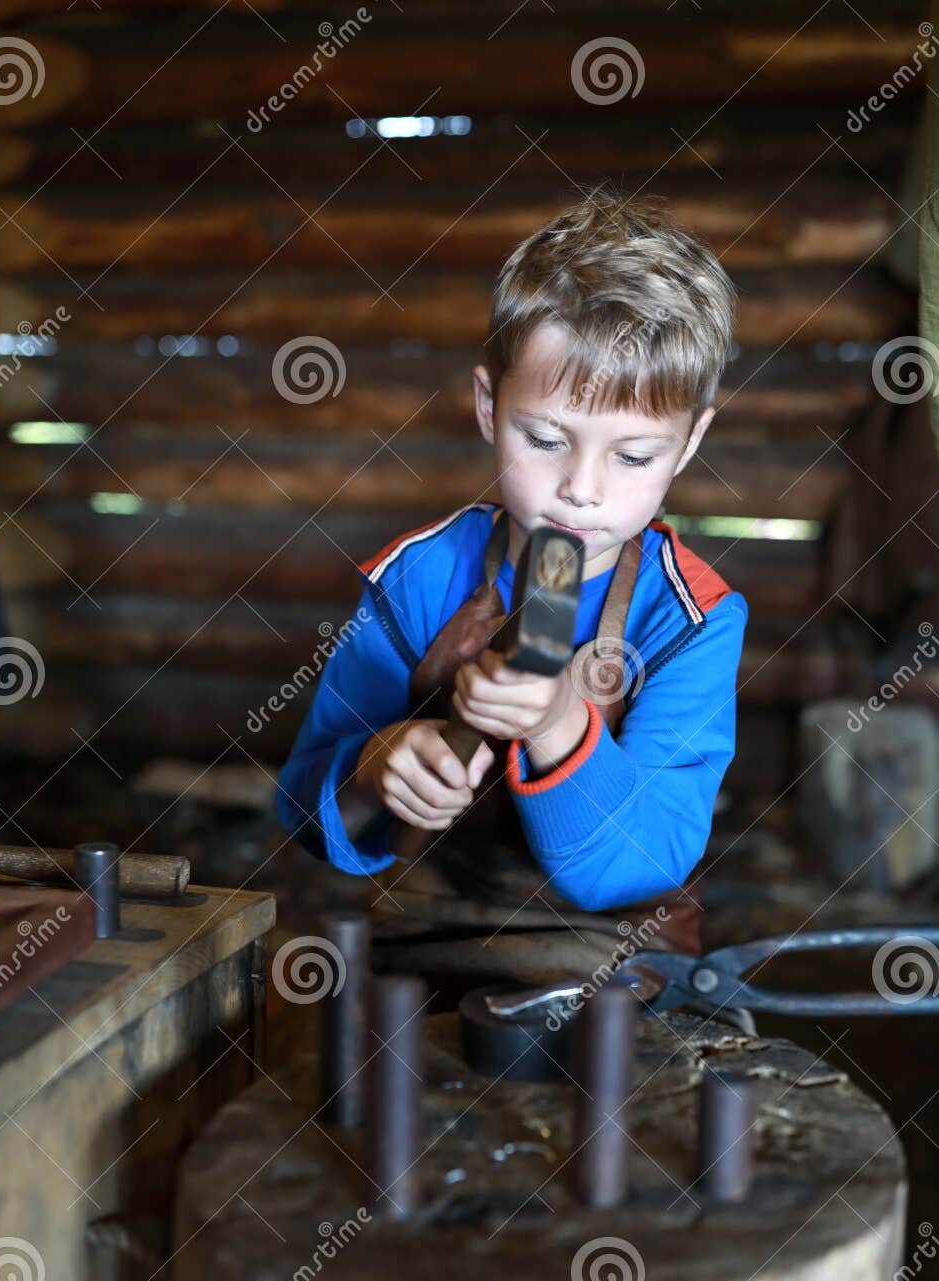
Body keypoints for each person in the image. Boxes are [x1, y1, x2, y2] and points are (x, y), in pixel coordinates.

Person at [276, 187, 748, 985]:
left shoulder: (692, 618)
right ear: (489, 406)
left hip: (620, 966)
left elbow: (638, 866)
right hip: (420, 943)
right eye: (544, 439)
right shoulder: (418, 578)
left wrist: (561, 724)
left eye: (632, 457)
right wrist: (372, 767)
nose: (582, 490)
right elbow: (304, 815)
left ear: (690, 440)